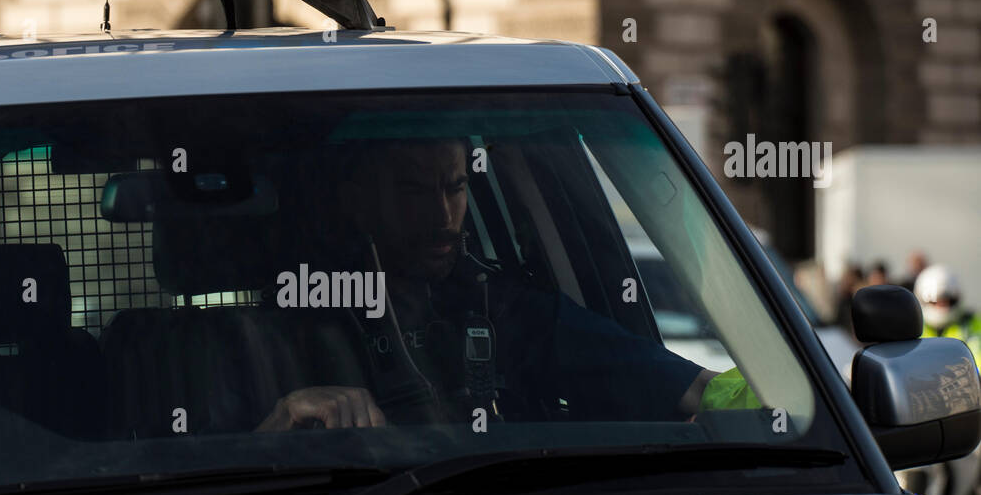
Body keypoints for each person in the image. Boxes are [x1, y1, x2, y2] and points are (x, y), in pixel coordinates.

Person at [257, 139, 719, 431]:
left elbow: (681, 383)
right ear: (357, 201)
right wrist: (283, 422)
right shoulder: (283, 319)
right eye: (414, 192)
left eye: (454, 188)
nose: (442, 217)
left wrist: (778, 403)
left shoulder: (498, 309)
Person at [914, 264, 981, 365]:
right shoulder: (912, 329)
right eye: (935, 300)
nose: (942, 305)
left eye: (948, 299)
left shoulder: (971, 324)